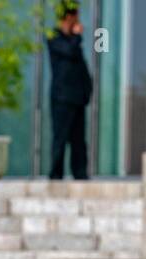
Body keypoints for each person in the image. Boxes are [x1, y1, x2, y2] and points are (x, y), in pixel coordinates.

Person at [47, 1, 92, 180]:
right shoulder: (55, 37)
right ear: (69, 17)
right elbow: (71, 52)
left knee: (78, 140)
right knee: (60, 137)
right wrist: (77, 36)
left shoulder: (73, 41)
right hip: (62, 98)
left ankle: (80, 173)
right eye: (76, 17)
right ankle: (56, 174)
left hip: (78, 98)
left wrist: (87, 90)